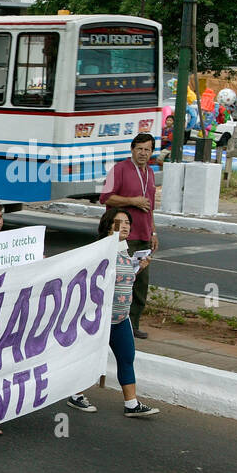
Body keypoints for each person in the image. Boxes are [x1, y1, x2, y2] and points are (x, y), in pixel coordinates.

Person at [67, 208, 160, 418]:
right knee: (88, 358)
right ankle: (76, 394)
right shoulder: (101, 251)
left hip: (121, 317)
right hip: (100, 319)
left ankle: (131, 404)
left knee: (126, 357)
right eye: (119, 222)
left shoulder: (123, 249)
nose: (125, 226)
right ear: (108, 226)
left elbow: (122, 281)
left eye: (128, 222)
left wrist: (138, 268)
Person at [100, 133, 158, 338]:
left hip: (144, 234)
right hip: (122, 235)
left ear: (152, 152)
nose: (143, 153)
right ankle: (111, 322)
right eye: (139, 149)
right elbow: (105, 198)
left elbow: (150, 206)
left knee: (141, 282)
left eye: (147, 149)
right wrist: (133, 201)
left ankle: (133, 323)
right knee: (120, 280)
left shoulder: (150, 173)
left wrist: (153, 231)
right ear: (132, 149)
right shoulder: (119, 169)